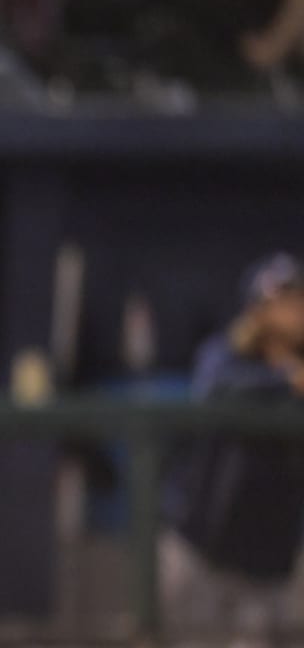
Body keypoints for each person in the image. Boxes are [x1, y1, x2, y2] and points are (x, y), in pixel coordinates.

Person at [160, 252, 304, 644]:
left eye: (298, 300)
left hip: (267, 562)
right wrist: (288, 381)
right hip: (202, 548)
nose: (293, 310)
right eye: (281, 301)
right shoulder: (226, 355)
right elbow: (214, 387)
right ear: (256, 310)